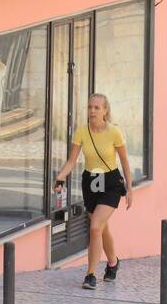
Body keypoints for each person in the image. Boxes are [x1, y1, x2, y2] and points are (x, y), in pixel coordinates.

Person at [54, 93, 133, 291]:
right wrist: (60, 178)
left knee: (96, 227)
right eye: (90, 107)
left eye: (97, 108)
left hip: (110, 183)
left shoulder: (114, 133)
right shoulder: (82, 132)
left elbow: (124, 161)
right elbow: (72, 161)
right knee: (102, 228)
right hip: (90, 182)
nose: (92, 111)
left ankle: (90, 275)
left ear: (105, 111)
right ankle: (113, 263)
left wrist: (130, 189)